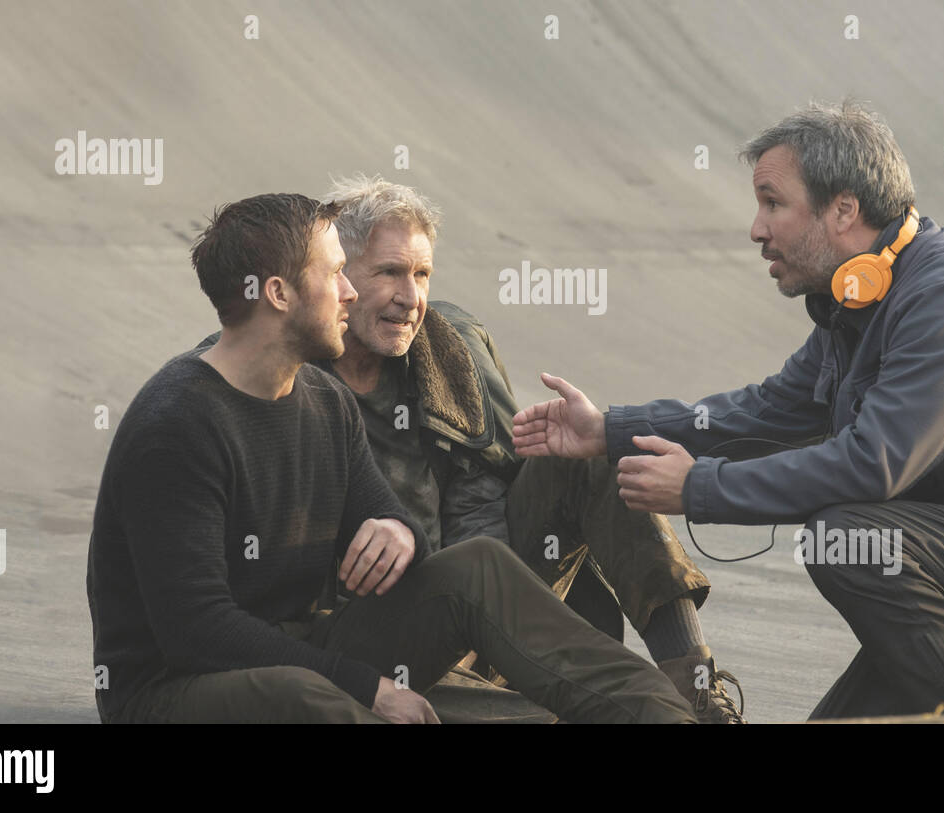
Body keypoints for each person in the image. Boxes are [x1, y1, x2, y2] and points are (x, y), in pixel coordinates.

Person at [512, 99, 944, 723]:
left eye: (774, 203)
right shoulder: (854, 302)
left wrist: (700, 486)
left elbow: (871, 464)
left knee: (845, 535)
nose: (756, 227)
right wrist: (611, 430)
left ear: (843, 210)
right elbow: (765, 411)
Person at [86, 193, 695, 724]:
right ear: (278, 293)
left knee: (475, 568)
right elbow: (196, 631)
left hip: (305, 651)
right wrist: (366, 687)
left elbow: (406, 542)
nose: (349, 291)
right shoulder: (178, 424)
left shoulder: (324, 399)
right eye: (335, 274)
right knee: (310, 697)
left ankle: (669, 717)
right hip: (175, 693)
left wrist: (398, 531)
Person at [297, 175, 746, 723]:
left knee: (591, 452)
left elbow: (484, 491)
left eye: (421, 274)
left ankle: (695, 690)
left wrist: (494, 622)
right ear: (339, 276)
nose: (410, 298)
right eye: (389, 272)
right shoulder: (286, 372)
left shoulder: (449, 350)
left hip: (485, 593)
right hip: (375, 638)